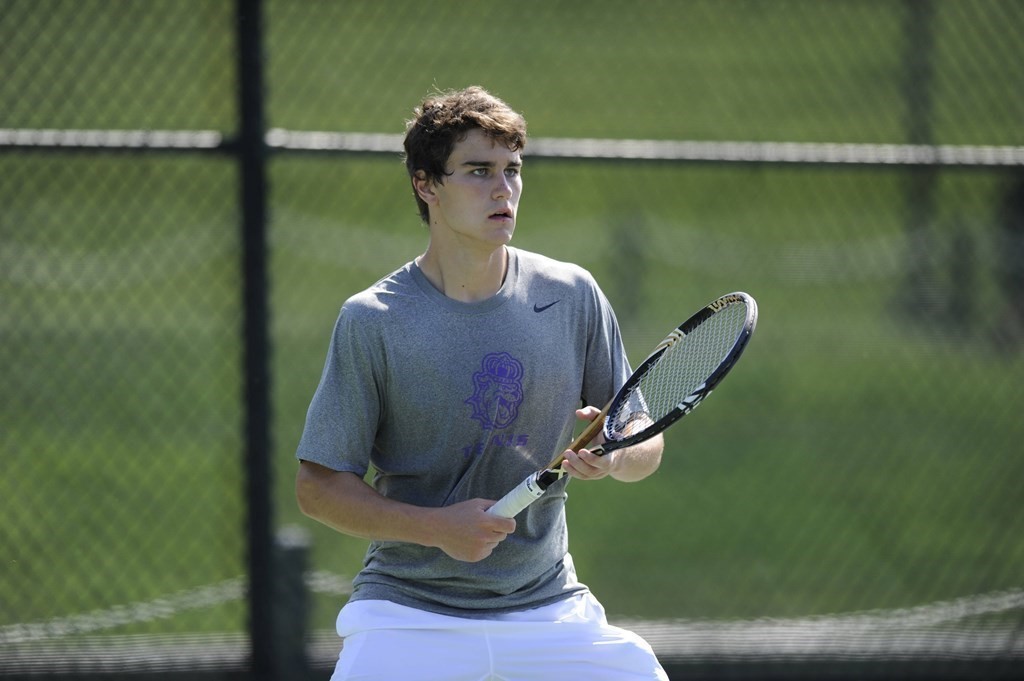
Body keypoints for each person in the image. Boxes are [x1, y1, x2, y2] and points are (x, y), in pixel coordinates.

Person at [295, 85, 668, 680]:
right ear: (426, 185)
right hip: (408, 615)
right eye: (478, 171)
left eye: (512, 170)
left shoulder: (571, 295)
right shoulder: (373, 321)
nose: (503, 189)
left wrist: (615, 454)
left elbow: (644, 438)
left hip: (549, 608)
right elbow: (318, 488)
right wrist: (436, 529)